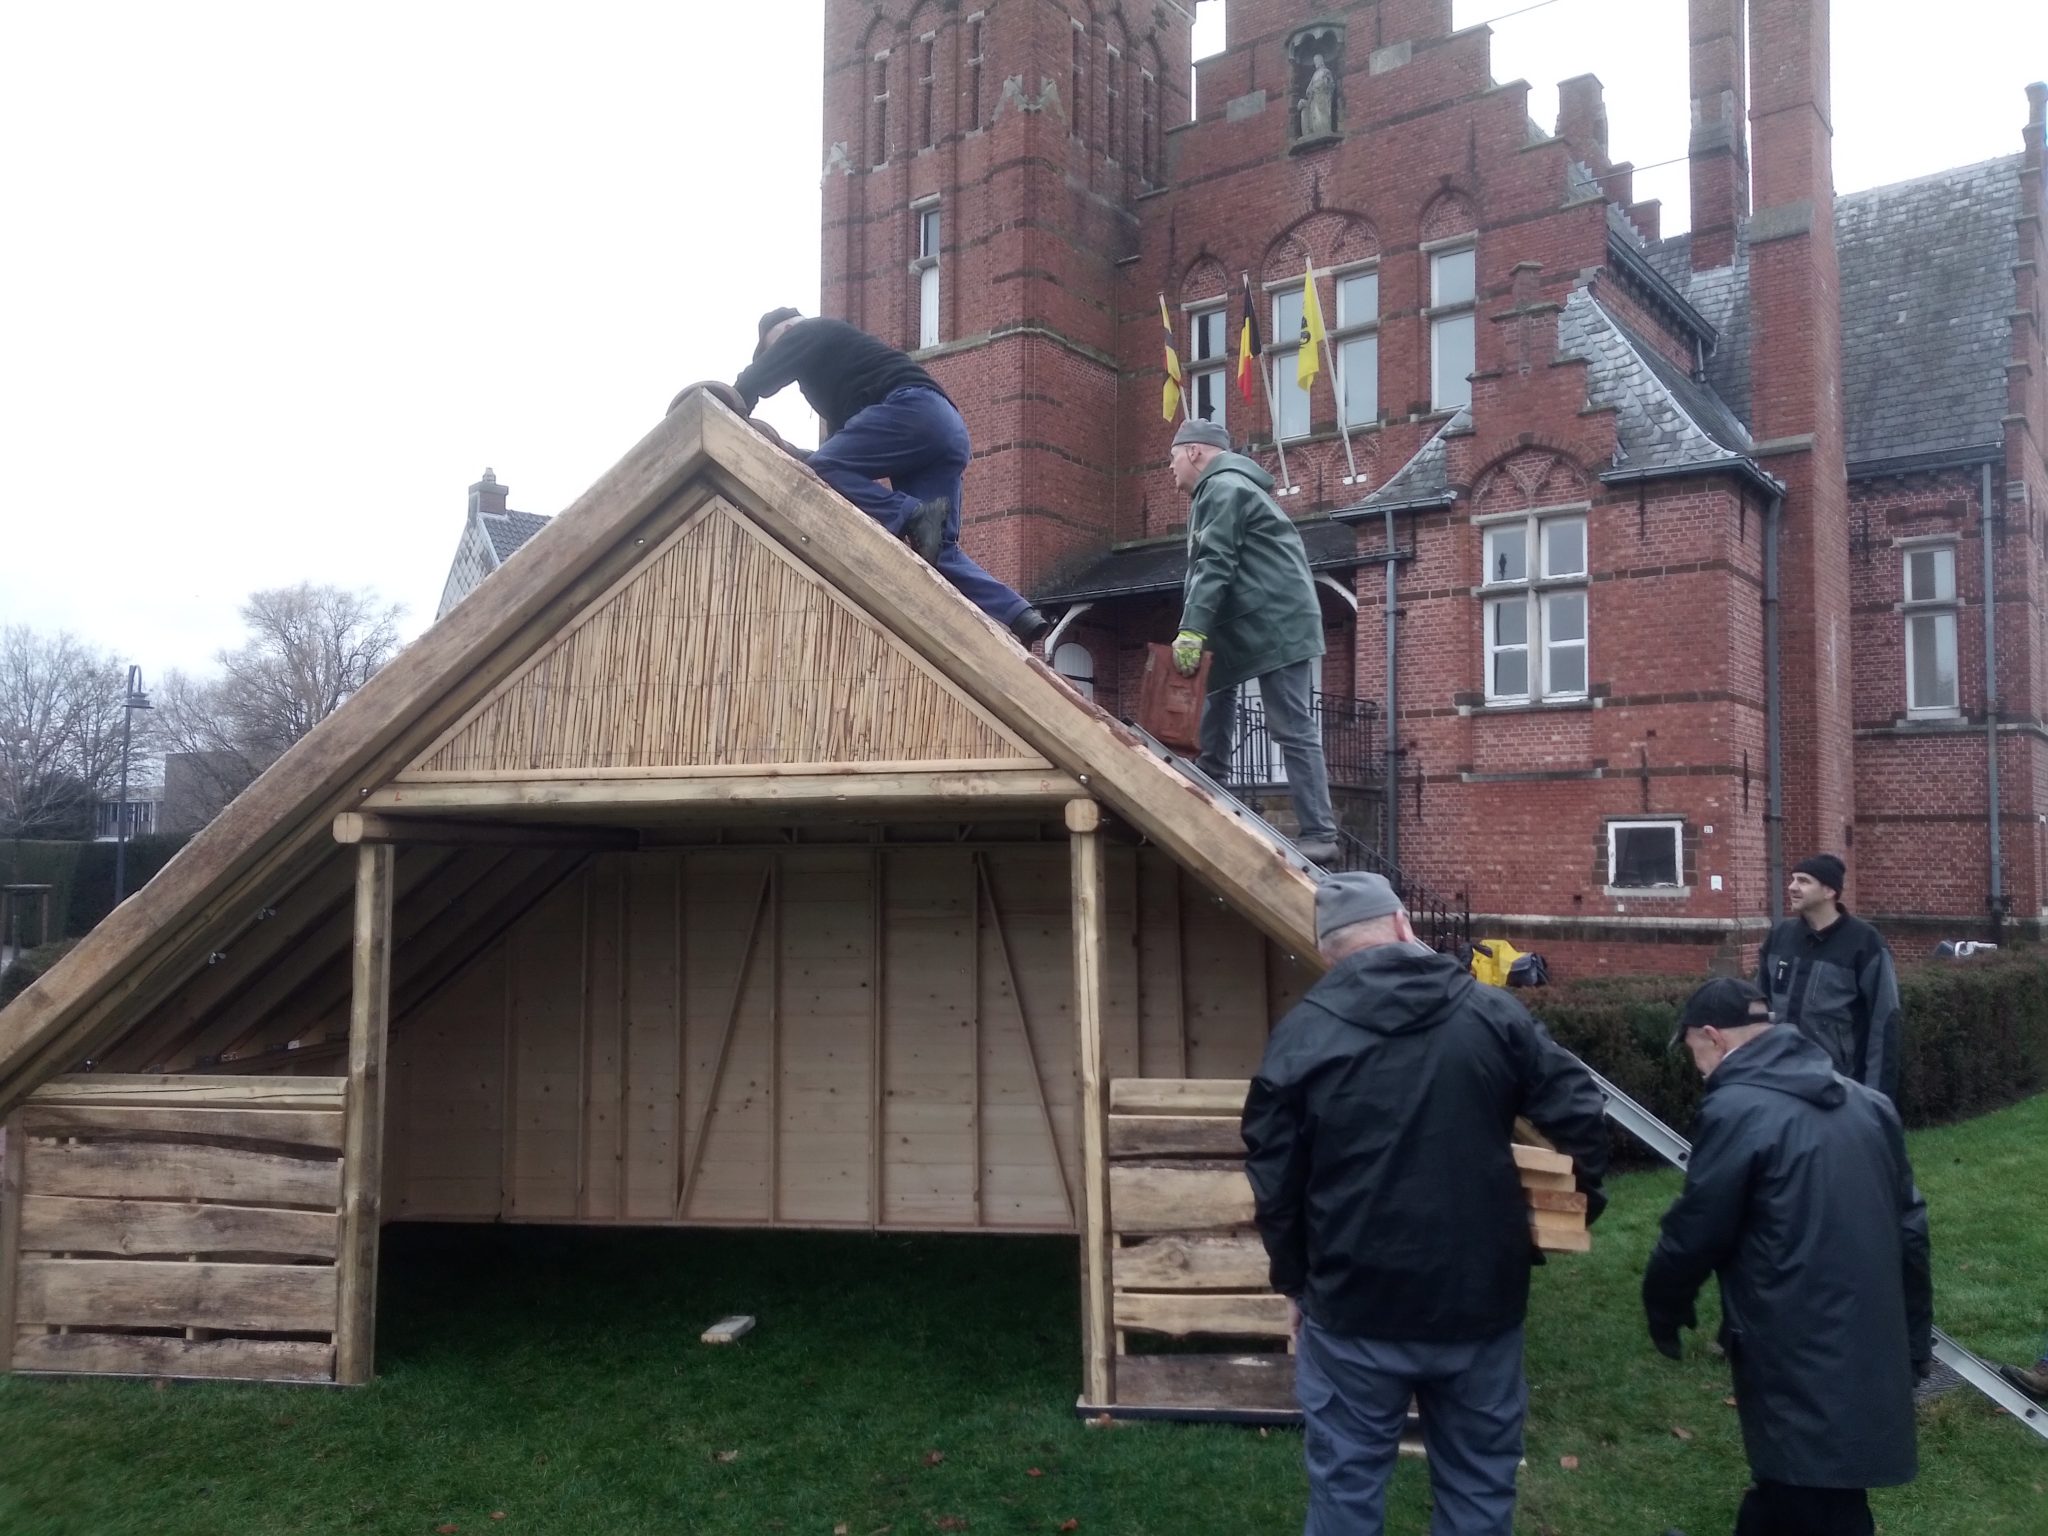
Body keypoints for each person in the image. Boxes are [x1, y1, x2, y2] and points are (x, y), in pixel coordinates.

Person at [1242, 871, 1609, 1536]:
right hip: (1479, 1300)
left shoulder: (1301, 1037)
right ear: (1405, 925)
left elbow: (1276, 1183)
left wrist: (1295, 1282)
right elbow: (1581, 1113)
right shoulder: (1493, 1014)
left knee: (1346, 1492)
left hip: (1353, 1306)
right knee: (1477, 1490)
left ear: (1329, 949)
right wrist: (1573, 1209)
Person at [1644, 978, 1932, 1536]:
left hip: (1791, 1339)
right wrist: (1913, 1337)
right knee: (1797, 1487)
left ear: (1713, 1037)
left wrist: (1664, 1303)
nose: (1695, 1066)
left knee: (1818, 1500)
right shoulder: (1867, 1104)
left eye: (1692, 1052)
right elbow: (1911, 1233)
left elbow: (1697, 1228)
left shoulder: (1735, 1108)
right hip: (1864, 1334)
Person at [732, 308, 1048, 645]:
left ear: (790, 329)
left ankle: (913, 514)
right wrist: (796, 454)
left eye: (777, 344)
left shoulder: (810, 330)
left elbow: (823, 462)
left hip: (913, 410)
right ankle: (1017, 614)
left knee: (822, 471)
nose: (782, 353)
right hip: (944, 427)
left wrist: (734, 401)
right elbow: (845, 449)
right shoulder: (841, 365)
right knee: (935, 552)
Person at [1167, 417, 1340, 864]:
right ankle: (1210, 778)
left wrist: (1191, 628)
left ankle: (1320, 834)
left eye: (1172, 458)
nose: (1170, 469)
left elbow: (1214, 563)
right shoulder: (1227, 489)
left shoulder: (1223, 490)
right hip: (1248, 619)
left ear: (1194, 453)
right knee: (1215, 693)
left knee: (1291, 726)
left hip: (1274, 623)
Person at [1756, 853, 1904, 1104]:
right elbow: (1760, 1007)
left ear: (1829, 891)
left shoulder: (1864, 942)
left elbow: (1884, 1020)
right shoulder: (1780, 936)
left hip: (1839, 1085)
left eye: (1803, 881)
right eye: (1793, 880)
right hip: (1779, 1079)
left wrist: (1877, 1096)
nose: (1792, 887)